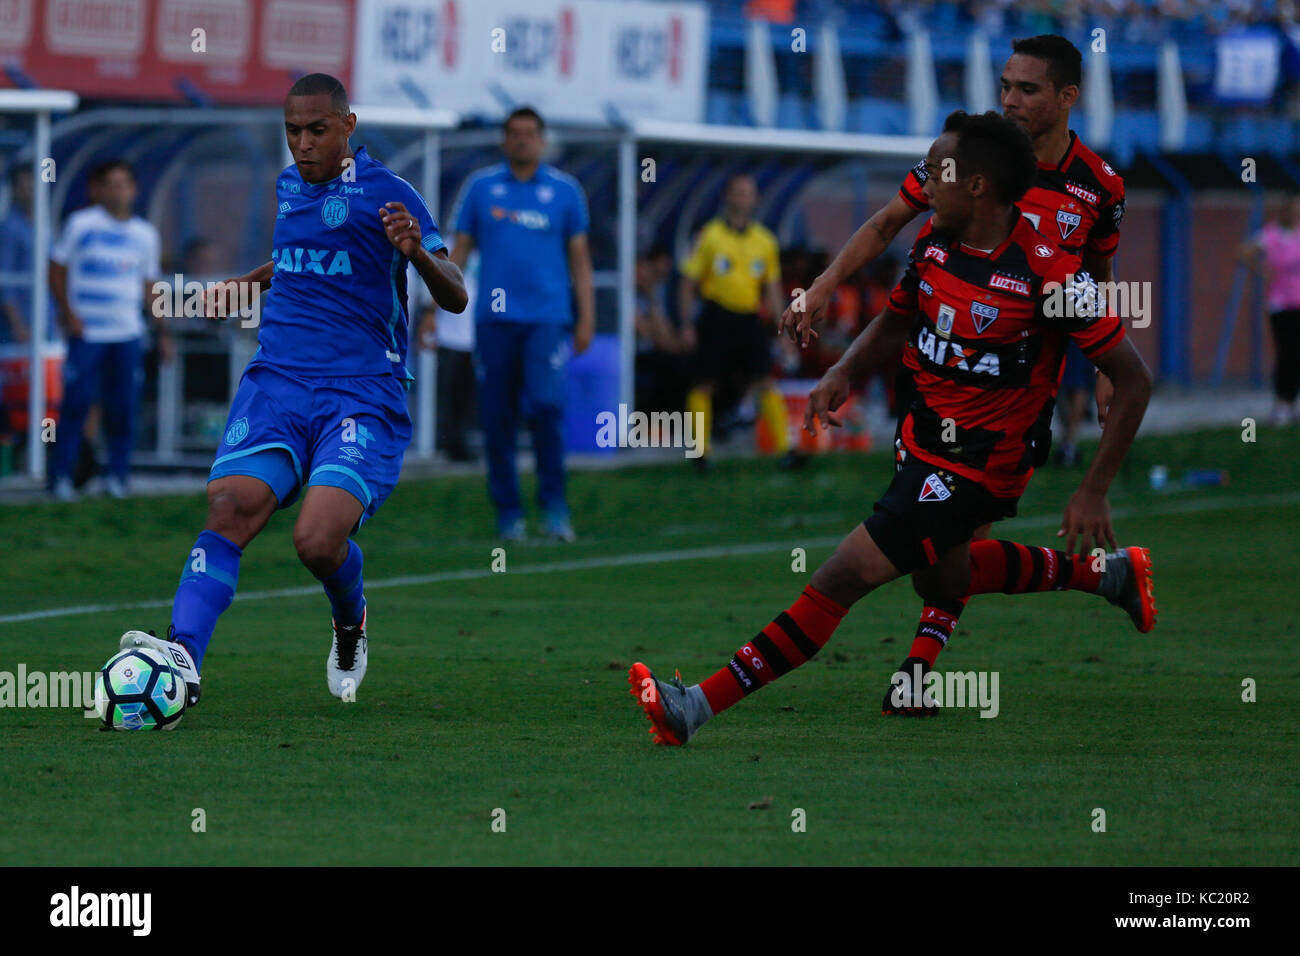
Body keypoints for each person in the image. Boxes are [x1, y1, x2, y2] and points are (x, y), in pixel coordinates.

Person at [630, 112, 1155, 744]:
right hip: (924, 440)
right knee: (944, 579)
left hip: (981, 464)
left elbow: (1134, 378)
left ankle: (696, 706)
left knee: (843, 574)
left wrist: (1094, 488)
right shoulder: (935, 244)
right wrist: (844, 370)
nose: (924, 184)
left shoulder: (1049, 274)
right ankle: (1106, 575)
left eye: (937, 172)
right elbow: (900, 319)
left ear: (980, 185)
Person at [779, 34, 1136, 701]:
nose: (1010, 99)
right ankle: (1103, 577)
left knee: (930, 538)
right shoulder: (970, 161)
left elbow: (1098, 276)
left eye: (1027, 89)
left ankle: (916, 674)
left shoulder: (1098, 188)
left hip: (1015, 398)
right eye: (1006, 85)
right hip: (935, 376)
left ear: (1067, 98)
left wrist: (1108, 367)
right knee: (939, 560)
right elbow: (889, 223)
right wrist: (824, 285)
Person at [116, 73, 467, 709]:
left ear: (348, 126)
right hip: (278, 382)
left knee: (316, 541)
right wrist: (247, 282)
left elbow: (458, 294)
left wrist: (416, 254)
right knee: (230, 509)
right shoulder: (287, 186)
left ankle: (350, 619)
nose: (302, 145)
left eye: (316, 131)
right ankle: (182, 661)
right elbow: (302, 257)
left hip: (360, 396)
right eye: (292, 132)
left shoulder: (392, 194)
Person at [448, 107, 595, 541]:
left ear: (543, 140)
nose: (523, 140)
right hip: (495, 321)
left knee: (547, 408)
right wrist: (429, 308)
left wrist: (586, 318)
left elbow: (581, 261)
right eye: (515, 133)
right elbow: (458, 254)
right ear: (504, 140)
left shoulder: (565, 192)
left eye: (530, 133)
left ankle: (555, 510)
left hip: (547, 320)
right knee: (497, 419)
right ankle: (509, 515)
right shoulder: (481, 189)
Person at [47, 160, 171, 500]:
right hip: (87, 333)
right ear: (98, 189)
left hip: (127, 334)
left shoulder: (145, 234)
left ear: (134, 190)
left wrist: (162, 332)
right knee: (75, 405)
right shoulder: (81, 224)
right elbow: (56, 269)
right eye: (111, 184)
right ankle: (61, 478)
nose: (119, 191)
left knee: (122, 408)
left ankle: (117, 478)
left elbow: (150, 286)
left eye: (124, 184)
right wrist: (67, 313)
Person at [680, 173, 805, 470]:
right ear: (728, 196)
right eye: (737, 193)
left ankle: (785, 450)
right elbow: (688, 281)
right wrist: (686, 323)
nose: (742, 199)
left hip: (748, 317)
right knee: (705, 382)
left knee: (765, 380)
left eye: (747, 193)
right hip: (716, 315)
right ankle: (700, 452)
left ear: (755, 200)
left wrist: (781, 329)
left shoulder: (764, 241)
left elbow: (771, 289)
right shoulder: (709, 235)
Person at [1240, 191, 1300, 427]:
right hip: (1281, 304)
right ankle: (1282, 403)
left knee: (1297, 355)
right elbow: (1245, 252)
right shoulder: (1272, 234)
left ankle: (1291, 403)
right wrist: (1263, 270)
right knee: (1287, 352)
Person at [416, 237, 479, 462]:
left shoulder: (490, 248)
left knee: (467, 396)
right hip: (450, 334)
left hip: (476, 334)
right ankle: (443, 442)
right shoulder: (448, 247)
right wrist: (430, 316)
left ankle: (460, 442)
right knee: (447, 393)